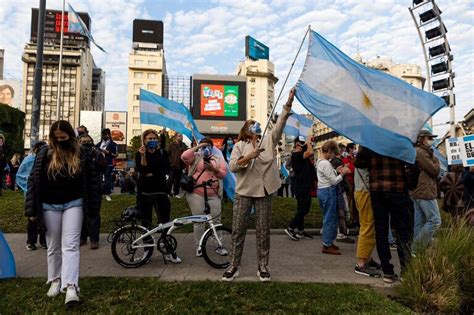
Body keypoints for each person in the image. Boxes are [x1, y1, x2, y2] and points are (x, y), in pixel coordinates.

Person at [24, 120, 101, 305]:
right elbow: (33, 181)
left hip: (74, 203)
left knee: (71, 245)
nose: (60, 141)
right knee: (53, 246)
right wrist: (31, 209)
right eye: (56, 138)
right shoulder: (44, 153)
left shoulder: (82, 153)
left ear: (71, 137)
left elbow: (92, 181)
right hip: (49, 205)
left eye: (64, 138)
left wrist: (93, 207)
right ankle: (55, 280)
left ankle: (71, 286)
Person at [222, 88, 294, 282]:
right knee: (238, 230)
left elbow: (280, 124)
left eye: (258, 125)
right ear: (246, 129)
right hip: (244, 192)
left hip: (264, 192)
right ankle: (233, 265)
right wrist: (249, 156)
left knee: (263, 231)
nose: (257, 127)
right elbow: (233, 166)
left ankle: (263, 266)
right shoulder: (239, 146)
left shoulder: (269, 139)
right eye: (253, 125)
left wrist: (287, 104)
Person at [354, 147, 413, 283]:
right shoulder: (400, 139)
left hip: (378, 191)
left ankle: (387, 271)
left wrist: (372, 164)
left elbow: (358, 162)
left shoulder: (371, 141)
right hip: (398, 189)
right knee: (402, 231)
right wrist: (409, 183)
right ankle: (406, 269)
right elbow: (412, 164)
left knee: (381, 231)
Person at [135, 129, 180, 264]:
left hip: (160, 191)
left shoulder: (162, 153)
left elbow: (165, 169)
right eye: (149, 139)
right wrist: (143, 157)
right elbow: (142, 170)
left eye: (154, 138)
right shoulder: (139, 153)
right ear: (144, 141)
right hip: (144, 193)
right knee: (145, 223)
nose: (152, 141)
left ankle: (168, 250)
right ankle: (147, 251)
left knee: (165, 222)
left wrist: (151, 172)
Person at [181, 137, 227, 256]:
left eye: (208, 146)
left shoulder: (217, 158)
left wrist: (213, 169)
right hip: (196, 194)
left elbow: (223, 173)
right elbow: (184, 156)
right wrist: (198, 147)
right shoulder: (195, 157)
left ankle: (218, 245)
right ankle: (199, 246)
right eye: (203, 146)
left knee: (216, 220)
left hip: (214, 194)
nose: (206, 148)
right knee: (199, 221)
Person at [317, 140, 351, 255]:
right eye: (333, 153)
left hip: (324, 190)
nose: (333, 156)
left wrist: (336, 171)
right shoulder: (325, 163)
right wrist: (343, 173)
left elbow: (329, 176)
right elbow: (334, 181)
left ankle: (329, 242)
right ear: (330, 151)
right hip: (328, 191)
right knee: (329, 219)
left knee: (330, 218)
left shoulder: (320, 162)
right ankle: (326, 244)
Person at [411, 130, 441, 253]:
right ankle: (415, 248)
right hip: (425, 190)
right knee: (435, 221)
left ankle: (416, 251)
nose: (431, 140)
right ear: (422, 139)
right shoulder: (421, 152)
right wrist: (436, 160)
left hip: (418, 190)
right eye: (429, 138)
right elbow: (434, 170)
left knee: (420, 222)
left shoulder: (418, 151)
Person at [353, 147, 381, 277]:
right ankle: (361, 263)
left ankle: (367, 258)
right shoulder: (366, 154)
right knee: (368, 225)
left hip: (361, 191)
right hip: (365, 192)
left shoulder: (362, 154)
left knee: (368, 225)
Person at [16, 141, 47, 250]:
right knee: (32, 217)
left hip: (42, 192)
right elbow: (20, 175)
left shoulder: (46, 158)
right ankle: (31, 241)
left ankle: (43, 241)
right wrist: (28, 185)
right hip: (31, 192)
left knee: (43, 217)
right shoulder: (29, 159)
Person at [284, 137, 316, 240]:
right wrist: (308, 143)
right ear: (298, 144)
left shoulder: (303, 157)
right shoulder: (296, 155)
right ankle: (290, 227)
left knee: (301, 208)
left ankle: (300, 231)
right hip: (300, 186)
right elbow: (310, 152)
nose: (306, 145)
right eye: (303, 144)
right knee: (304, 209)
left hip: (304, 185)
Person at [78, 134, 106, 250]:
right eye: (83, 141)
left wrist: (93, 159)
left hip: (94, 188)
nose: (86, 143)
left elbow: (103, 167)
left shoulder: (97, 154)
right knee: (81, 214)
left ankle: (94, 240)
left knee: (94, 214)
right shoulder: (76, 155)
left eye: (88, 141)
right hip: (80, 189)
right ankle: (82, 238)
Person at [330, 149, 354, 243]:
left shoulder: (334, 161)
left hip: (340, 189)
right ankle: (341, 234)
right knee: (343, 211)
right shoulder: (337, 161)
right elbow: (344, 174)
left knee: (343, 210)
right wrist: (343, 170)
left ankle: (342, 232)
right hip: (340, 190)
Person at [96, 128, 117, 201]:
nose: (105, 136)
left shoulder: (113, 144)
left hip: (109, 164)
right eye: (103, 134)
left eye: (106, 134)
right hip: (99, 164)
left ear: (109, 135)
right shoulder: (98, 144)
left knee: (107, 179)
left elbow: (115, 155)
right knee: (99, 179)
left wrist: (107, 152)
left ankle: (108, 195)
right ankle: (99, 194)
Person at [167, 133, 188, 197]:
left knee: (177, 181)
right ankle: (168, 192)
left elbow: (186, 154)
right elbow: (166, 154)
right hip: (172, 166)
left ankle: (176, 193)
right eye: (179, 136)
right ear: (176, 137)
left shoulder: (183, 145)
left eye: (181, 136)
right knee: (170, 179)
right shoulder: (171, 145)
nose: (181, 137)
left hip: (180, 166)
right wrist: (170, 162)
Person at [342, 143, 358, 227]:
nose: (355, 150)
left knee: (355, 203)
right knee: (348, 201)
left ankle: (354, 219)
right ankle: (347, 219)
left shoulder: (354, 158)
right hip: (349, 182)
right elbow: (349, 169)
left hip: (355, 182)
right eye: (354, 148)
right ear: (350, 149)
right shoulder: (345, 159)